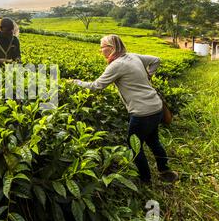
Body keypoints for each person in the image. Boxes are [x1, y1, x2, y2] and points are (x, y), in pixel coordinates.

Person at [71, 35, 179, 184]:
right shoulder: (133, 56)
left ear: (111, 48)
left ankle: (145, 179)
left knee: (134, 145)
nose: (101, 50)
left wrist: (74, 82)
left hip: (142, 112)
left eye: (102, 47)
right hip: (156, 106)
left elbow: (96, 86)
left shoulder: (116, 65)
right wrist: (149, 76)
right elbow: (156, 60)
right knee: (153, 140)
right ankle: (165, 171)